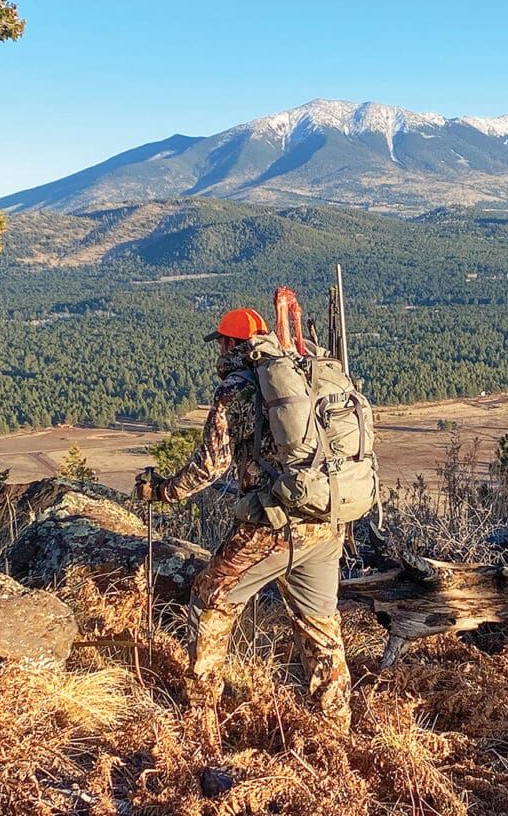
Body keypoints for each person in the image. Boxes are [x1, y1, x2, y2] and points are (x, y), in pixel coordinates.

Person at [135, 307, 351, 734]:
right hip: (327, 521)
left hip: (273, 525)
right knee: (320, 626)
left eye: (220, 342)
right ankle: (336, 730)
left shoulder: (236, 389)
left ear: (232, 345)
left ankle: (200, 717)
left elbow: (211, 466)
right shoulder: (301, 372)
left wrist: (163, 491)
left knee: (210, 600)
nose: (218, 349)